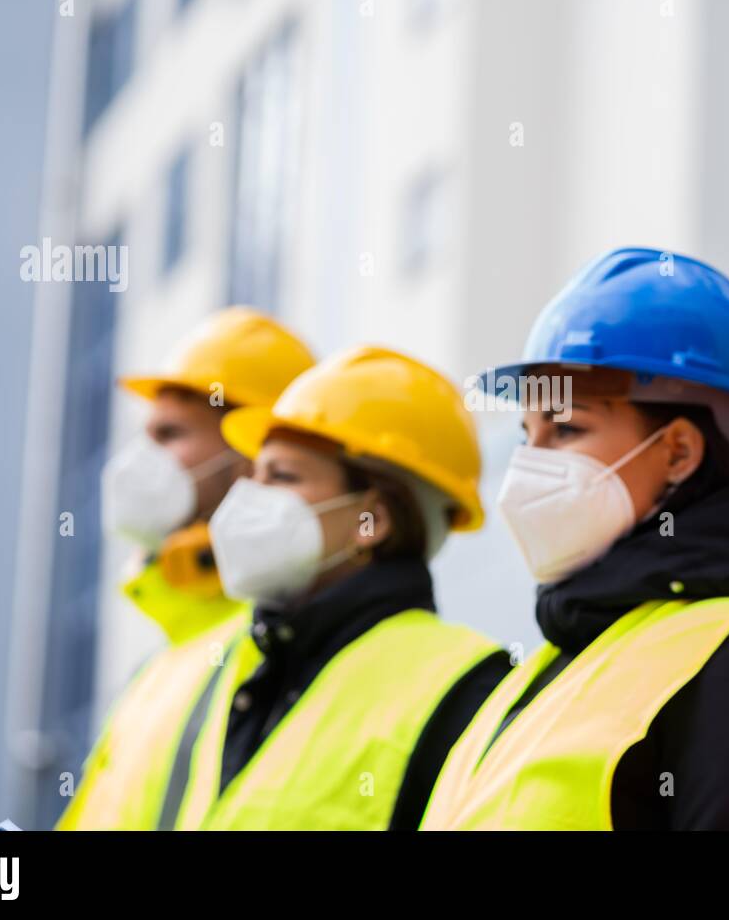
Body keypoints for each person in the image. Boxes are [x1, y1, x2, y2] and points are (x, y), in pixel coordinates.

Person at [420, 247, 729, 830]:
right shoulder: (558, 653)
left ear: (679, 452)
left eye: (566, 429)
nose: (527, 465)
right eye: (526, 434)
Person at [158, 344, 508, 829]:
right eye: (255, 474)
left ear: (373, 520)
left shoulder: (471, 687)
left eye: (281, 477)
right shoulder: (250, 665)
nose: (248, 499)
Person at [58, 306, 314, 830]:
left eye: (170, 434)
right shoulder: (160, 668)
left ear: (252, 456)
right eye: (146, 434)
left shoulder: (276, 646)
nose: (139, 460)